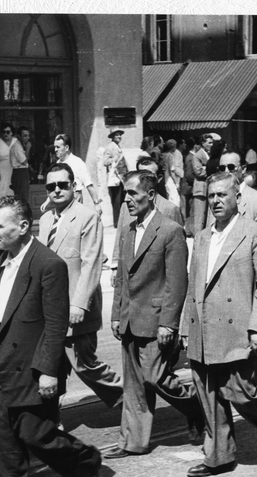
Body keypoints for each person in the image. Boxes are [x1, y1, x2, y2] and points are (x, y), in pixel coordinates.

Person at [0, 196, 101, 477]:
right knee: (0, 439)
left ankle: (84, 461)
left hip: (32, 367)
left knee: (36, 433)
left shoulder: (48, 264)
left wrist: (48, 371)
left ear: (22, 227)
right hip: (2, 364)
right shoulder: (0, 260)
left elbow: (55, 324)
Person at [181, 171, 257, 477]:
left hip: (238, 327)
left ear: (237, 198)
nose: (215, 201)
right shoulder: (202, 237)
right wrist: (185, 327)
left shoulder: (254, 232)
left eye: (222, 195)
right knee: (208, 392)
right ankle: (219, 457)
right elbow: (193, 285)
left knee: (237, 389)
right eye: (211, 195)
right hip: (203, 325)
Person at [106, 170, 203, 459]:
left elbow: (177, 283)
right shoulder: (128, 230)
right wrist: (116, 314)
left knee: (155, 378)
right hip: (129, 319)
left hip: (156, 320)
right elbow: (122, 278)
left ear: (150, 195)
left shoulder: (170, 230)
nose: (127, 199)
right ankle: (133, 442)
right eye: (125, 194)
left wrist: (169, 324)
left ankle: (197, 407)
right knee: (134, 384)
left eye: (132, 193)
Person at [38, 163, 123, 413]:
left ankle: (129, 396)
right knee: (50, 366)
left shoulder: (87, 217)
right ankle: (49, 419)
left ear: (74, 186)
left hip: (77, 308)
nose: (57, 190)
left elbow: (91, 263)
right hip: (50, 308)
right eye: (51, 186)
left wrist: (79, 303)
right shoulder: (45, 219)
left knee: (84, 364)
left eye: (62, 185)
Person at [110, 157, 184, 287]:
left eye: (148, 175)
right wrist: (115, 266)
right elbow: (119, 238)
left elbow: (176, 255)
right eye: (140, 173)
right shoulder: (126, 207)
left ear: (159, 178)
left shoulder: (170, 210)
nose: (143, 179)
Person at [219, 151, 257, 246]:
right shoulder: (215, 198)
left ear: (243, 168)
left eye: (231, 167)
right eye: (222, 168)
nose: (226, 171)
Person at [46, 134, 103, 216]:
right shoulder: (58, 163)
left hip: (75, 199)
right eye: (55, 147)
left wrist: (96, 203)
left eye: (58, 147)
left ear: (66, 147)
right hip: (61, 199)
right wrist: (47, 201)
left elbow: (89, 185)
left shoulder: (77, 162)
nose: (55, 150)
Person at [190, 134, 213, 234]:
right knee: (199, 217)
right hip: (200, 189)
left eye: (212, 143)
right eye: (209, 143)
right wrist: (210, 169)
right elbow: (199, 172)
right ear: (203, 143)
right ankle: (197, 237)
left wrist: (205, 168)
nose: (211, 145)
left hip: (207, 187)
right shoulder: (197, 156)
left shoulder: (209, 155)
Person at [103, 129, 126, 225]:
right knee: (116, 201)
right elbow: (105, 162)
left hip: (121, 178)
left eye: (120, 135)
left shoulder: (118, 147)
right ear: (112, 137)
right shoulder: (110, 147)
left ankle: (121, 221)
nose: (119, 136)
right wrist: (114, 159)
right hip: (114, 178)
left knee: (121, 200)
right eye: (117, 135)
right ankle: (117, 222)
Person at [0, 122, 15, 201]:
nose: (5, 134)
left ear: (12, 133)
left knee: (12, 186)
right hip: (2, 167)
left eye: (8, 132)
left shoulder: (16, 141)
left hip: (14, 167)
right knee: (1, 186)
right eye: (3, 132)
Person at [9, 126, 31, 203]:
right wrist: (28, 149)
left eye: (28, 135)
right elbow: (24, 161)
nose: (27, 138)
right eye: (25, 136)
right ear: (19, 136)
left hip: (22, 172)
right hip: (20, 173)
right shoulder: (17, 147)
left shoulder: (20, 146)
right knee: (22, 198)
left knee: (23, 197)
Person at [162, 139, 183, 207]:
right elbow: (172, 171)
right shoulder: (170, 156)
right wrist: (176, 183)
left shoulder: (163, 155)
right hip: (170, 179)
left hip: (164, 179)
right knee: (175, 199)